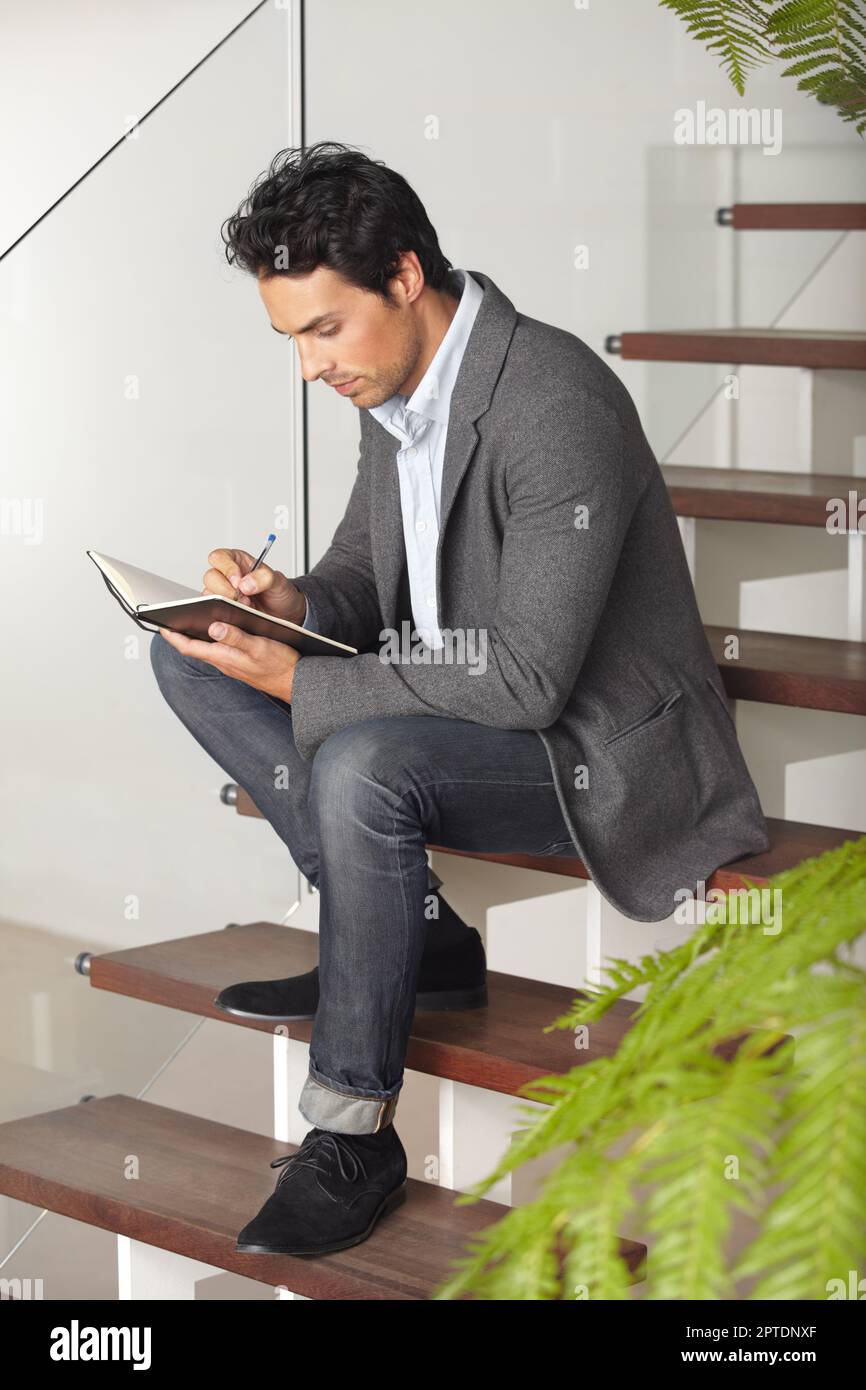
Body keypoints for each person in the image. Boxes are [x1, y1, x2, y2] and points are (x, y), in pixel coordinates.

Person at [150, 140, 769, 1257]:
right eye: (288, 337)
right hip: (461, 709)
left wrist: (309, 675)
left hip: (593, 745)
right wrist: (282, 603)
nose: (307, 366)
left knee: (360, 761)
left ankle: (351, 1137)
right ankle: (417, 936)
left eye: (321, 329)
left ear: (401, 276)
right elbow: (358, 581)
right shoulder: (393, 390)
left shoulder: (552, 396)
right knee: (188, 656)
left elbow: (529, 675)